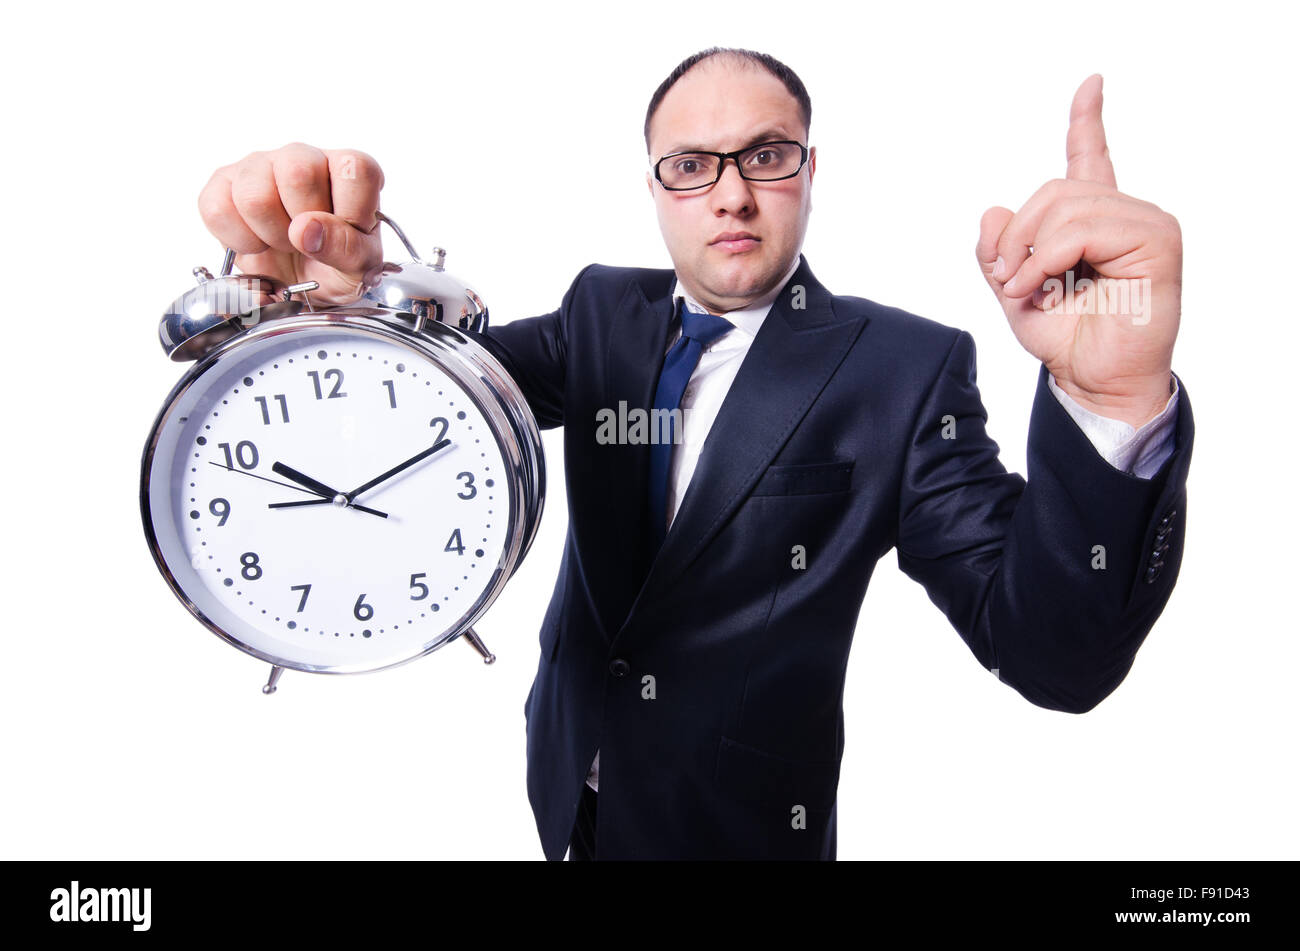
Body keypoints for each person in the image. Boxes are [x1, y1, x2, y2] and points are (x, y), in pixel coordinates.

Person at [196, 47, 1192, 860]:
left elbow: (1051, 654)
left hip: (742, 833)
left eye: (766, 156)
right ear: (657, 187)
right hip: (567, 789)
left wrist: (1108, 398)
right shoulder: (598, 315)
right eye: (692, 165)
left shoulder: (902, 369)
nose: (731, 196)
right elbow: (413, 418)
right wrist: (326, 315)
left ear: (809, 170)